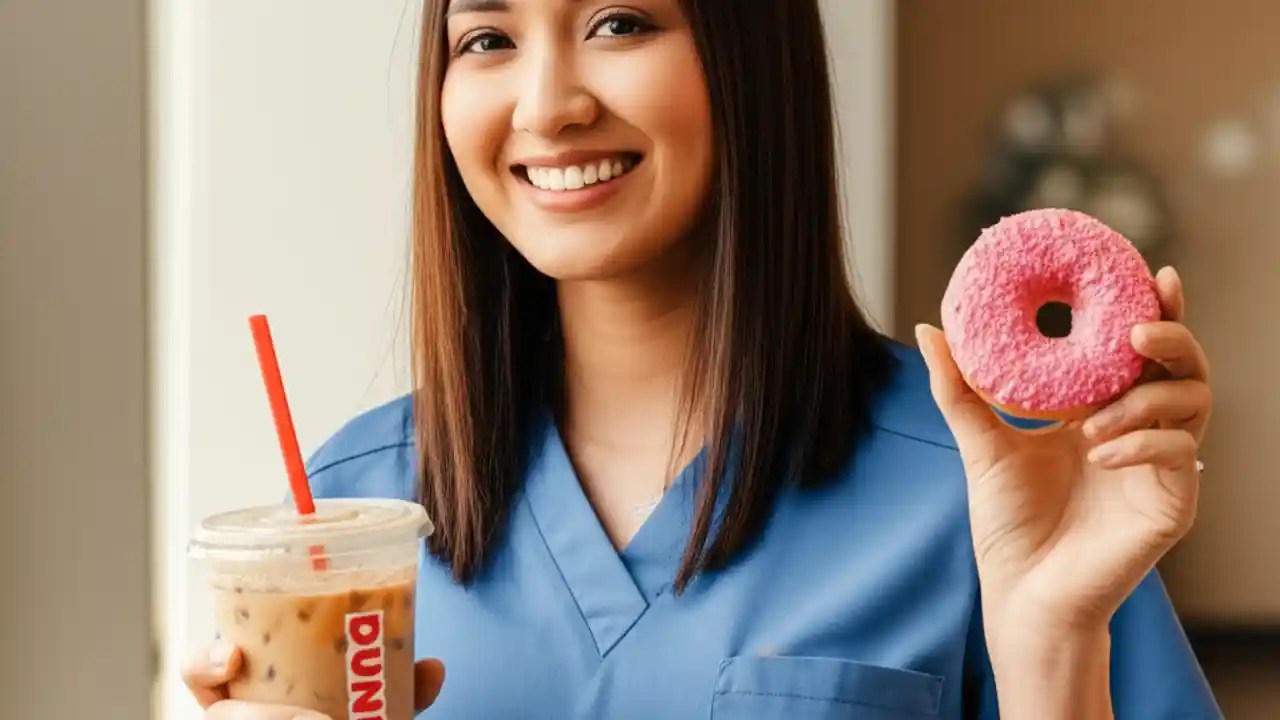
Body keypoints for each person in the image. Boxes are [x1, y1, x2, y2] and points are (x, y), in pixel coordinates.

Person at [184, 0, 1221, 717]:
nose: (546, 105)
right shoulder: (342, 528)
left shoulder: (991, 479)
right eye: (487, 38)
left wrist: (1049, 638)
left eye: (620, 22)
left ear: (747, 53)